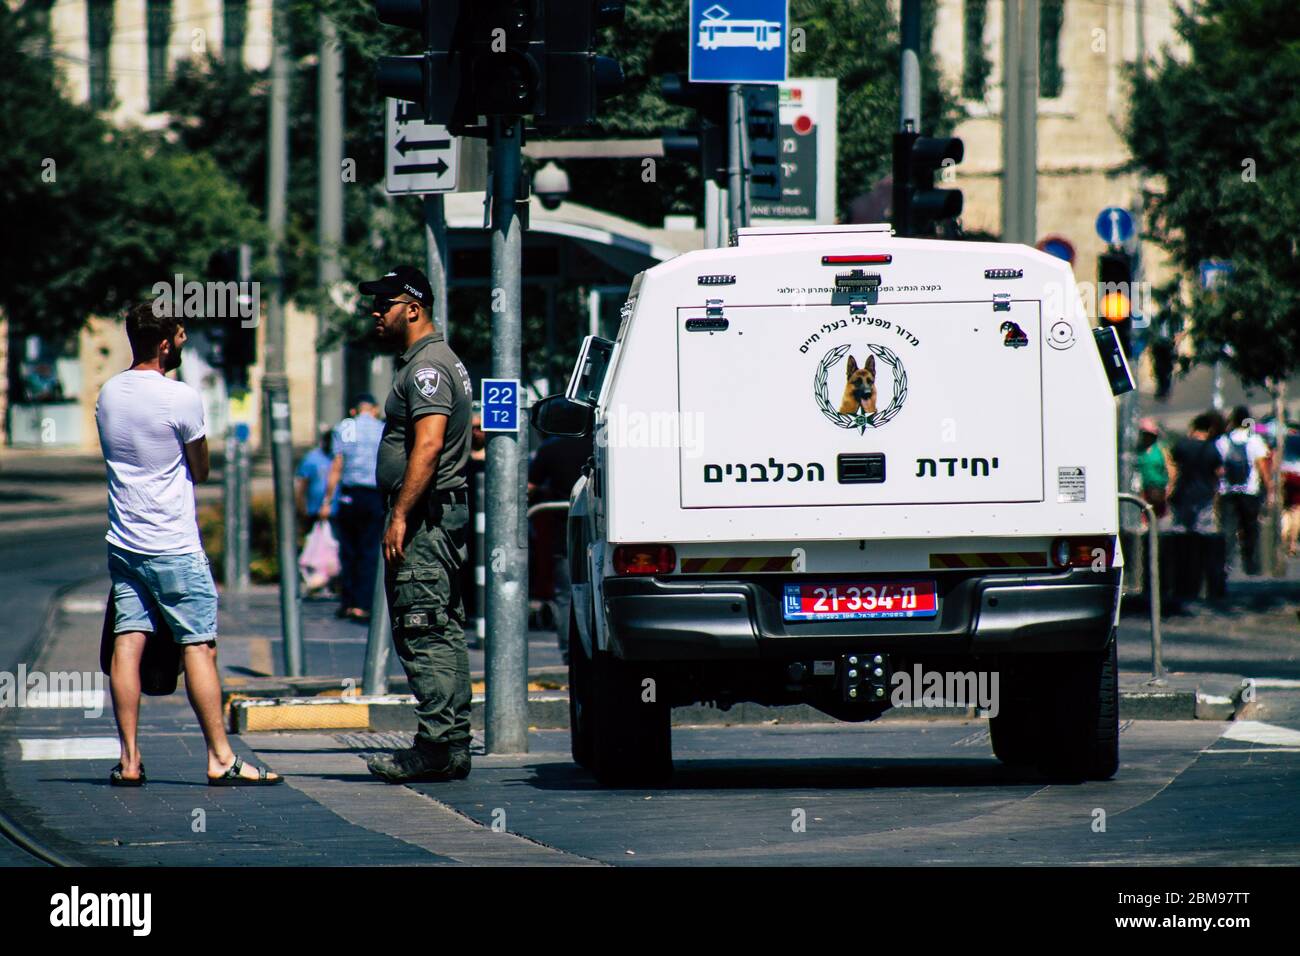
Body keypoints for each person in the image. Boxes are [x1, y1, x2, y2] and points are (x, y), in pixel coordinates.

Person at [95, 302, 280, 787]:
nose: (183, 343)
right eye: (179, 336)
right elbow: (200, 469)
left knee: (129, 641)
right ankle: (220, 756)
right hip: (174, 544)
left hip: (124, 542)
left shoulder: (108, 393)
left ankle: (130, 759)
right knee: (199, 647)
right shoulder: (181, 398)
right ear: (163, 343)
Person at [360, 266, 474, 783]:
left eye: (382, 305)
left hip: (425, 522)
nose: (374, 314)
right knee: (443, 631)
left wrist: (400, 515)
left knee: (422, 629)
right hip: (439, 517)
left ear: (413, 309)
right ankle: (451, 746)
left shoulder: (426, 368)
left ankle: (434, 748)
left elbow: (428, 446)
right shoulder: (433, 362)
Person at [528, 434, 593, 665]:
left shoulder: (551, 448)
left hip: (565, 530)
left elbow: (529, 486)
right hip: (604, 529)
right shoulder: (604, 440)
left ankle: (570, 656)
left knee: (567, 596)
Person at [322, 395, 385, 621]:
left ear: (353, 410)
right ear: (375, 409)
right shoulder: (382, 429)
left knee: (348, 550)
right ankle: (363, 603)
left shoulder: (343, 428)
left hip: (349, 495)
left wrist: (328, 499)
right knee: (369, 551)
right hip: (374, 494)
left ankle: (347, 602)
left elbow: (337, 465)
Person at [1167, 411, 1225, 603]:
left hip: (1183, 498)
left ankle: (1181, 585)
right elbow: (1219, 473)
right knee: (1204, 540)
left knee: (1181, 540)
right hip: (1204, 498)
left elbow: (1172, 465)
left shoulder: (1182, 445)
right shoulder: (1211, 449)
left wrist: (1171, 486)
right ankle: (1205, 586)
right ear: (1208, 430)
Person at [1215, 405, 1273, 577]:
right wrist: (1269, 488)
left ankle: (1226, 563)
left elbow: (1218, 469)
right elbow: (1262, 467)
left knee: (1228, 529)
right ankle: (1251, 565)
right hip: (1250, 491)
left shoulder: (1222, 441)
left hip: (1228, 492)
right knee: (1250, 529)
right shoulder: (1254, 440)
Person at [1135, 417, 1172, 519]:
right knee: (1145, 516)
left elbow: (1171, 469)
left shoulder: (1161, 449)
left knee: (1159, 516)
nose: (1147, 437)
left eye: (1149, 434)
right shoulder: (1138, 450)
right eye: (1144, 434)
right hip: (1143, 490)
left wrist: (1169, 488)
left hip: (1159, 489)